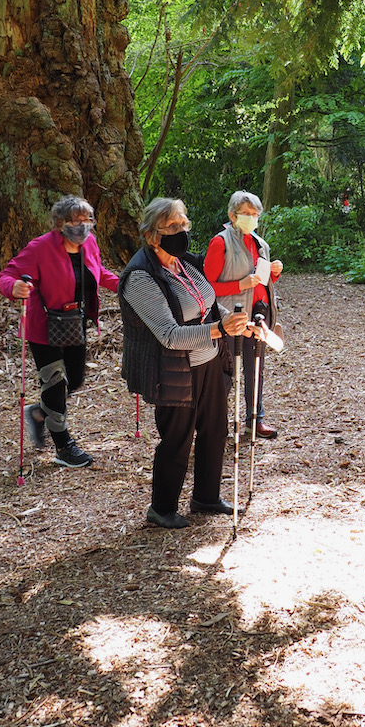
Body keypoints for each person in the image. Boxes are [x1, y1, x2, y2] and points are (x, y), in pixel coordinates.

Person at [119, 198, 252, 529]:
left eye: (184, 224)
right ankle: (161, 508)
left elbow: (208, 306)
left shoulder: (185, 263)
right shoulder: (140, 277)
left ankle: (206, 497)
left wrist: (233, 321)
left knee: (215, 429)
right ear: (152, 235)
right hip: (174, 368)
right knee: (178, 438)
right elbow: (168, 334)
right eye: (173, 227)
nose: (182, 232)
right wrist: (219, 330)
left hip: (208, 361)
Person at [0, 195, 119, 470]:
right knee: (54, 383)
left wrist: (127, 285)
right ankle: (64, 446)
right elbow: (7, 275)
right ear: (60, 223)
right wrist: (14, 288)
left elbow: (98, 271)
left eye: (87, 220)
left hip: (75, 322)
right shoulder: (40, 248)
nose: (83, 226)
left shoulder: (90, 243)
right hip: (44, 326)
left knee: (74, 381)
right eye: (76, 220)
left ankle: (39, 412)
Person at [203, 191, 284, 439]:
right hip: (229, 317)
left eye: (255, 214)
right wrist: (240, 285)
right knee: (225, 373)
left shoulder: (260, 243)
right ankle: (213, 424)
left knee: (255, 368)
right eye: (246, 214)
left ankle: (254, 420)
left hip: (258, 316)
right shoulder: (220, 242)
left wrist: (274, 273)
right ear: (232, 215)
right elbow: (205, 287)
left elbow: (261, 281)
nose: (251, 218)